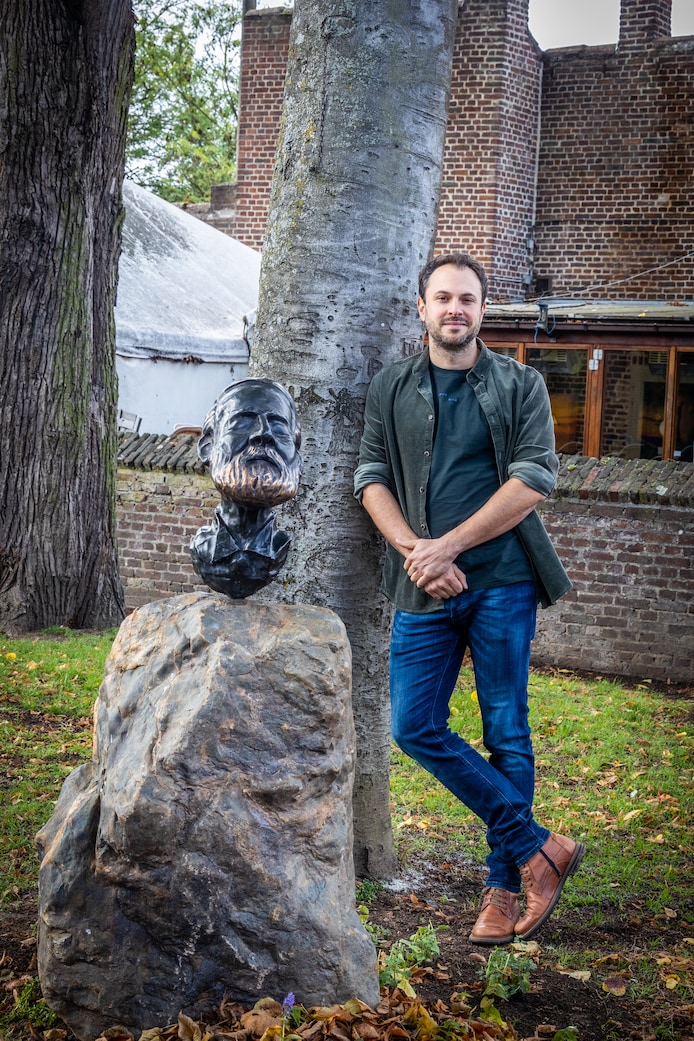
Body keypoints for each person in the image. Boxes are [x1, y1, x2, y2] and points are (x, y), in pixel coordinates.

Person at [354, 252, 585, 945]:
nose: (456, 309)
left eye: (469, 300)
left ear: (484, 311)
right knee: (413, 725)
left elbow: (533, 478)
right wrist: (416, 554)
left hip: (503, 582)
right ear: (421, 307)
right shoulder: (391, 387)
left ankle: (502, 888)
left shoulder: (521, 384)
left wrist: (447, 546)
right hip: (423, 584)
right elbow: (370, 476)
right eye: (444, 298)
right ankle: (539, 846)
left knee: (505, 730)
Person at [191, 378, 302, 598]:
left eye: (278, 427)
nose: (263, 434)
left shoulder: (278, 546)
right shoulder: (202, 546)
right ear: (207, 448)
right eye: (242, 423)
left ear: (297, 456)